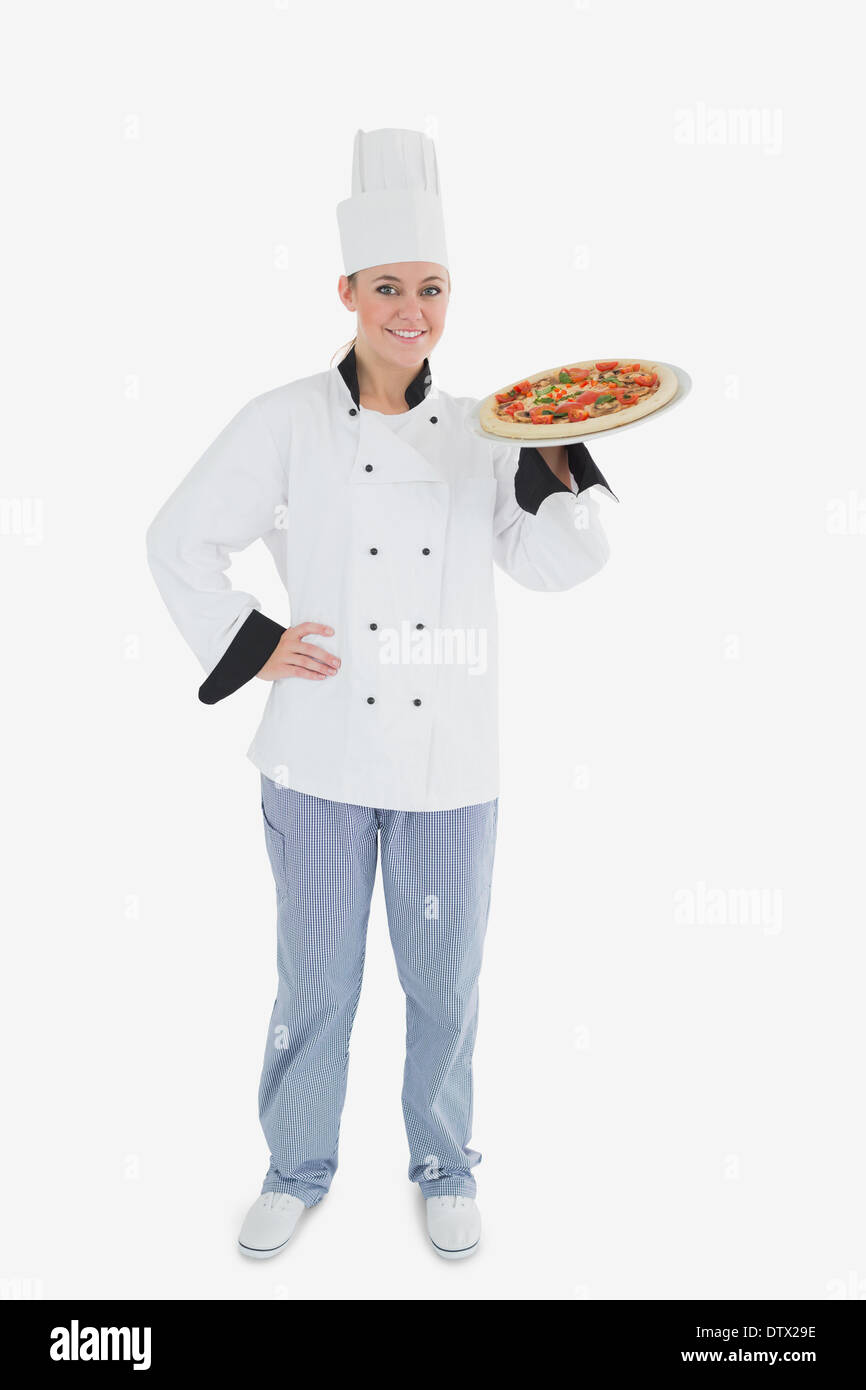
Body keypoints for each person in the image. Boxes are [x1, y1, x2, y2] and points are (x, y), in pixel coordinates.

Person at [145, 127, 617, 1261]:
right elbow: (175, 541)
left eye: (434, 290)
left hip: (451, 758)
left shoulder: (487, 426)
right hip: (313, 751)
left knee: (444, 985)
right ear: (348, 291)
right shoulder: (285, 419)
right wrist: (256, 643)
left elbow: (558, 565)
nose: (413, 310)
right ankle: (295, 1166)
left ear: (450, 300)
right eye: (391, 288)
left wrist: (565, 458)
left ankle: (444, 1164)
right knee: (315, 978)